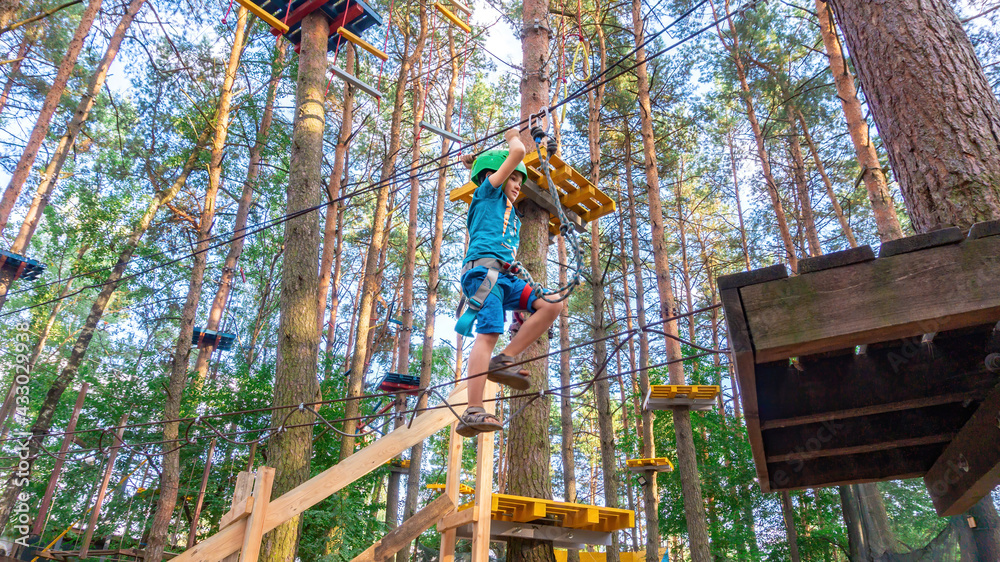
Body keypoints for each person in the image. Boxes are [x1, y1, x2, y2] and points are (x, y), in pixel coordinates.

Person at [454, 128, 563, 437]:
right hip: (483, 275)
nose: (517, 185)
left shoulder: (511, 215)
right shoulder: (487, 193)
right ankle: (472, 410)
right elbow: (515, 152)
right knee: (487, 333)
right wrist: (516, 135)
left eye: (519, 180)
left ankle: (505, 360)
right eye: (513, 179)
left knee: (553, 304)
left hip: (504, 276)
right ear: (495, 175)